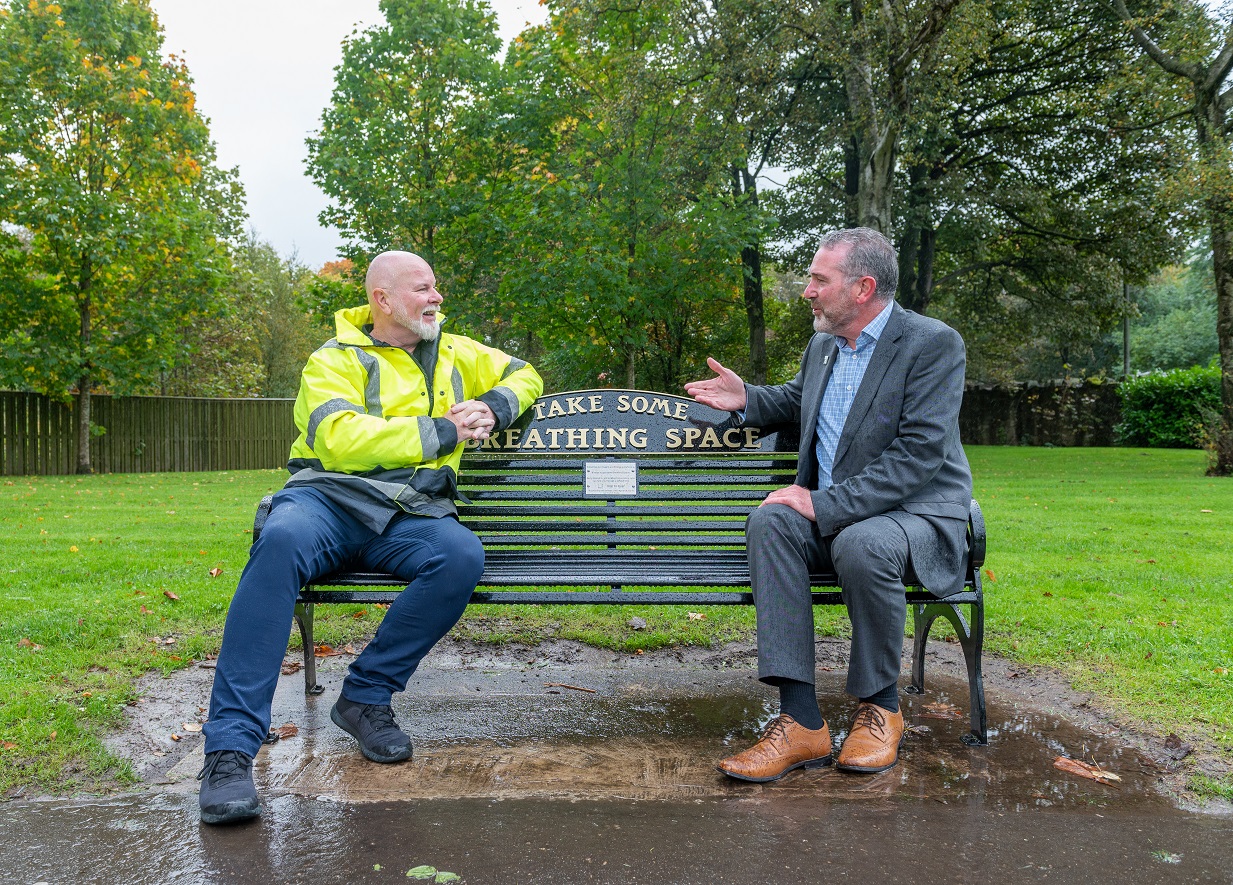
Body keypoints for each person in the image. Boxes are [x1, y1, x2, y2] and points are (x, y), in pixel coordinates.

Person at [197, 251, 543, 824]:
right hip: (327, 503)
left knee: (460, 556)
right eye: (422, 289)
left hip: (410, 513)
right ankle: (230, 750)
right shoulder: (331, 359)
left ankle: (365, 697)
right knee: (279, 542)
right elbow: (338, 438)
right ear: (383, 299)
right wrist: (444, 431)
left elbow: (525, 372)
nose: (436, 298)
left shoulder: (458, 353)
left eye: (436, 288)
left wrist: (492, 406)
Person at [684, 227, 971, 782]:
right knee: (771, 520)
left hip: (914, 517)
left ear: (863, 288)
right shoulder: (825, 345)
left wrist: (827, 502)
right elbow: (799, 399)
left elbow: (919, 455)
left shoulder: (932, 343)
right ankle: (800, 721)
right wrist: (749, 399)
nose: (808, 291)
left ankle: (880, 709)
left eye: (819, 279)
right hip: (841, 513)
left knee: (864, 542)